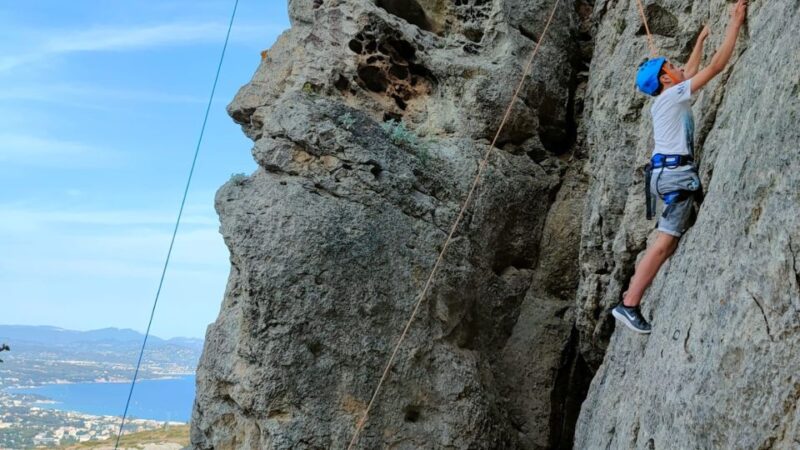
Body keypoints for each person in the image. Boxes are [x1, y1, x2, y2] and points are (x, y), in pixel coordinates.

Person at [612, 0, 748, 334]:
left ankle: (631, 293)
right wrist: (735, 23)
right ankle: (628, 304)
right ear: (664, 78)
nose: (678, 68)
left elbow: (688, 70)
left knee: (668, 241)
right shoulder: (672, 97)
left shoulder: (667, 97)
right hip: (675, 177)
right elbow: (715, 68)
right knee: (663, 243)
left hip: (666, 174)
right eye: (671, 66)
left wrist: (700, 40)